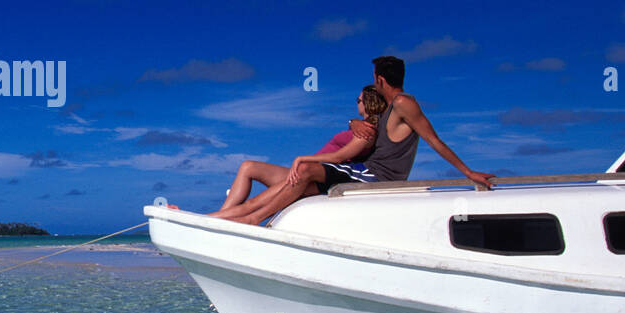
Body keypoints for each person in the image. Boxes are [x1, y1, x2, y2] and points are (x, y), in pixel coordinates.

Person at [212, 55, 495, 225]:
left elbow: (434, 141)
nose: (372, 83)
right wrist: (353, 120)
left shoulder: (403, 103)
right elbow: (368, 119)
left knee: (306, 170)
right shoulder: (388, 108)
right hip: (364, 173)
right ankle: (233, 216)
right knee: (303, 180)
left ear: (381, 80)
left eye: (374, 78)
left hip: (375, 177)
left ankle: (250, 218)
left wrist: (468, 173)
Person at [210, 85, 386, 216]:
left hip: (311, 176)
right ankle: (216, 219)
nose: (357, 103)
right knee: (248, 166)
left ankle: (211, 219)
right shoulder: (359, 127)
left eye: (359, 100)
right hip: (307, 172)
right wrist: (352, 122)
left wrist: (303, 159)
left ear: (368, 102)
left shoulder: (366, 132)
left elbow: (340, 157)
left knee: (253, 205)